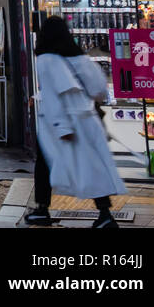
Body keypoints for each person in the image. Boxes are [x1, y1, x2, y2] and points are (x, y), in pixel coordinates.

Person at [24, 16, 125, 228]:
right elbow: (99, 90)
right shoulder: (80, 58)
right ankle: (105, 214)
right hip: (87, 120)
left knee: (44, 165)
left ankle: (42, 209)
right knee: (93, 167)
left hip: (60, 124)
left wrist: (62, 127)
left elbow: (54, 95)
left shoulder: (46, 59)